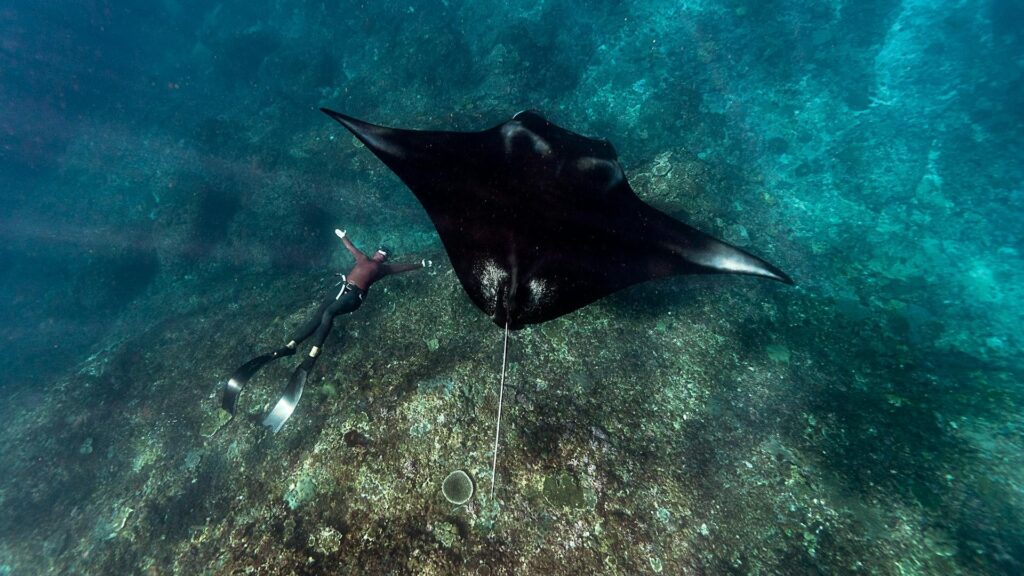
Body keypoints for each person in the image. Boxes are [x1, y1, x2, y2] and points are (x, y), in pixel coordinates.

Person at [222, 228, 431, 432]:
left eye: (384, 253)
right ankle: (291, 346)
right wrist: (343, 236)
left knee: (329, 313)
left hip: (354, 296)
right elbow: (351, 248)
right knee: (317, 316)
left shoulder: (383, 269)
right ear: (376, 251)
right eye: (380, 250)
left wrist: (421, 264)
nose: (381, 253)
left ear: (385, 259)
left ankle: (313, 355)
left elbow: (403, 267)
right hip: (342, 289)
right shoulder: (363, 258)